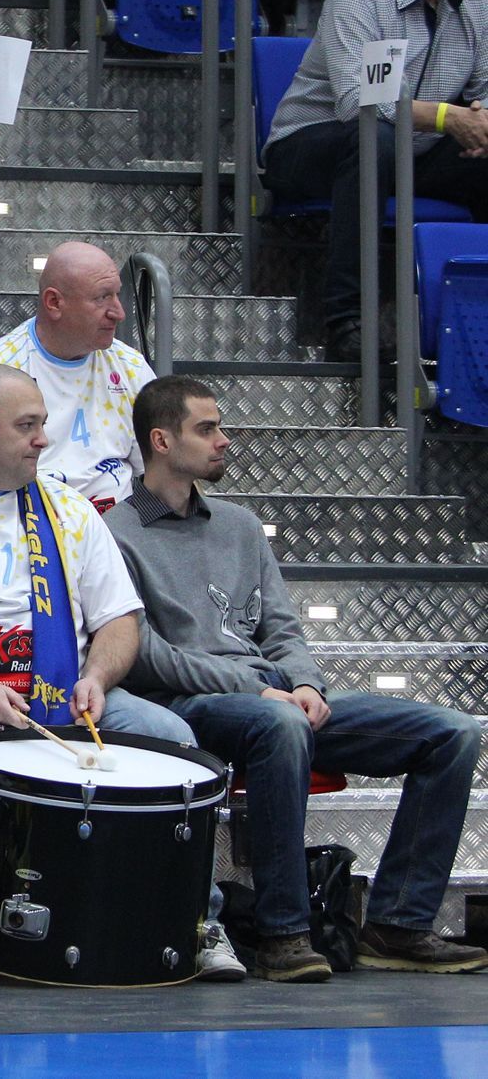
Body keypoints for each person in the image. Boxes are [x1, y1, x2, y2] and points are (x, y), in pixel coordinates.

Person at [0, 363, 244, 985]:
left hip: (63, 688)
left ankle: (196, 920)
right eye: (27, 426)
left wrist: (99, 675)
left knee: (174, 739)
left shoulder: (69, 508)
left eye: (43, 425)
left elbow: (120, 622)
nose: (43, 440)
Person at [108, 376, 488, 981]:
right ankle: (283, 932)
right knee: (280, 723)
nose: (224, 441)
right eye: (207, 429)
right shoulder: (115, 533)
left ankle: (396, 925)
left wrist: (306, 683)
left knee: (453, 732)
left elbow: (283, 629)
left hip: (274, 697)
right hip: (188, 707)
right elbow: (144, 656)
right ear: (160, 440)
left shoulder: (238, 524)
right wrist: (255, 689)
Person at [262, 0, 488, 364]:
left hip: (412, 151)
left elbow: (485, 91)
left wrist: (481, 122)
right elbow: (359, 105)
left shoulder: (478, 3)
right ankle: (346, 319)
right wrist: (449, 118)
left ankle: (474, 320)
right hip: (310, 146)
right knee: (373, 141)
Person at [0, 241, 155, 510]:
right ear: (54, 302)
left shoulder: (130, 367)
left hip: (117, 535)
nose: (119, 313)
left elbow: (162, 471)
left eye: (117, 295)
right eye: (102, 298)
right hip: (27, 530)